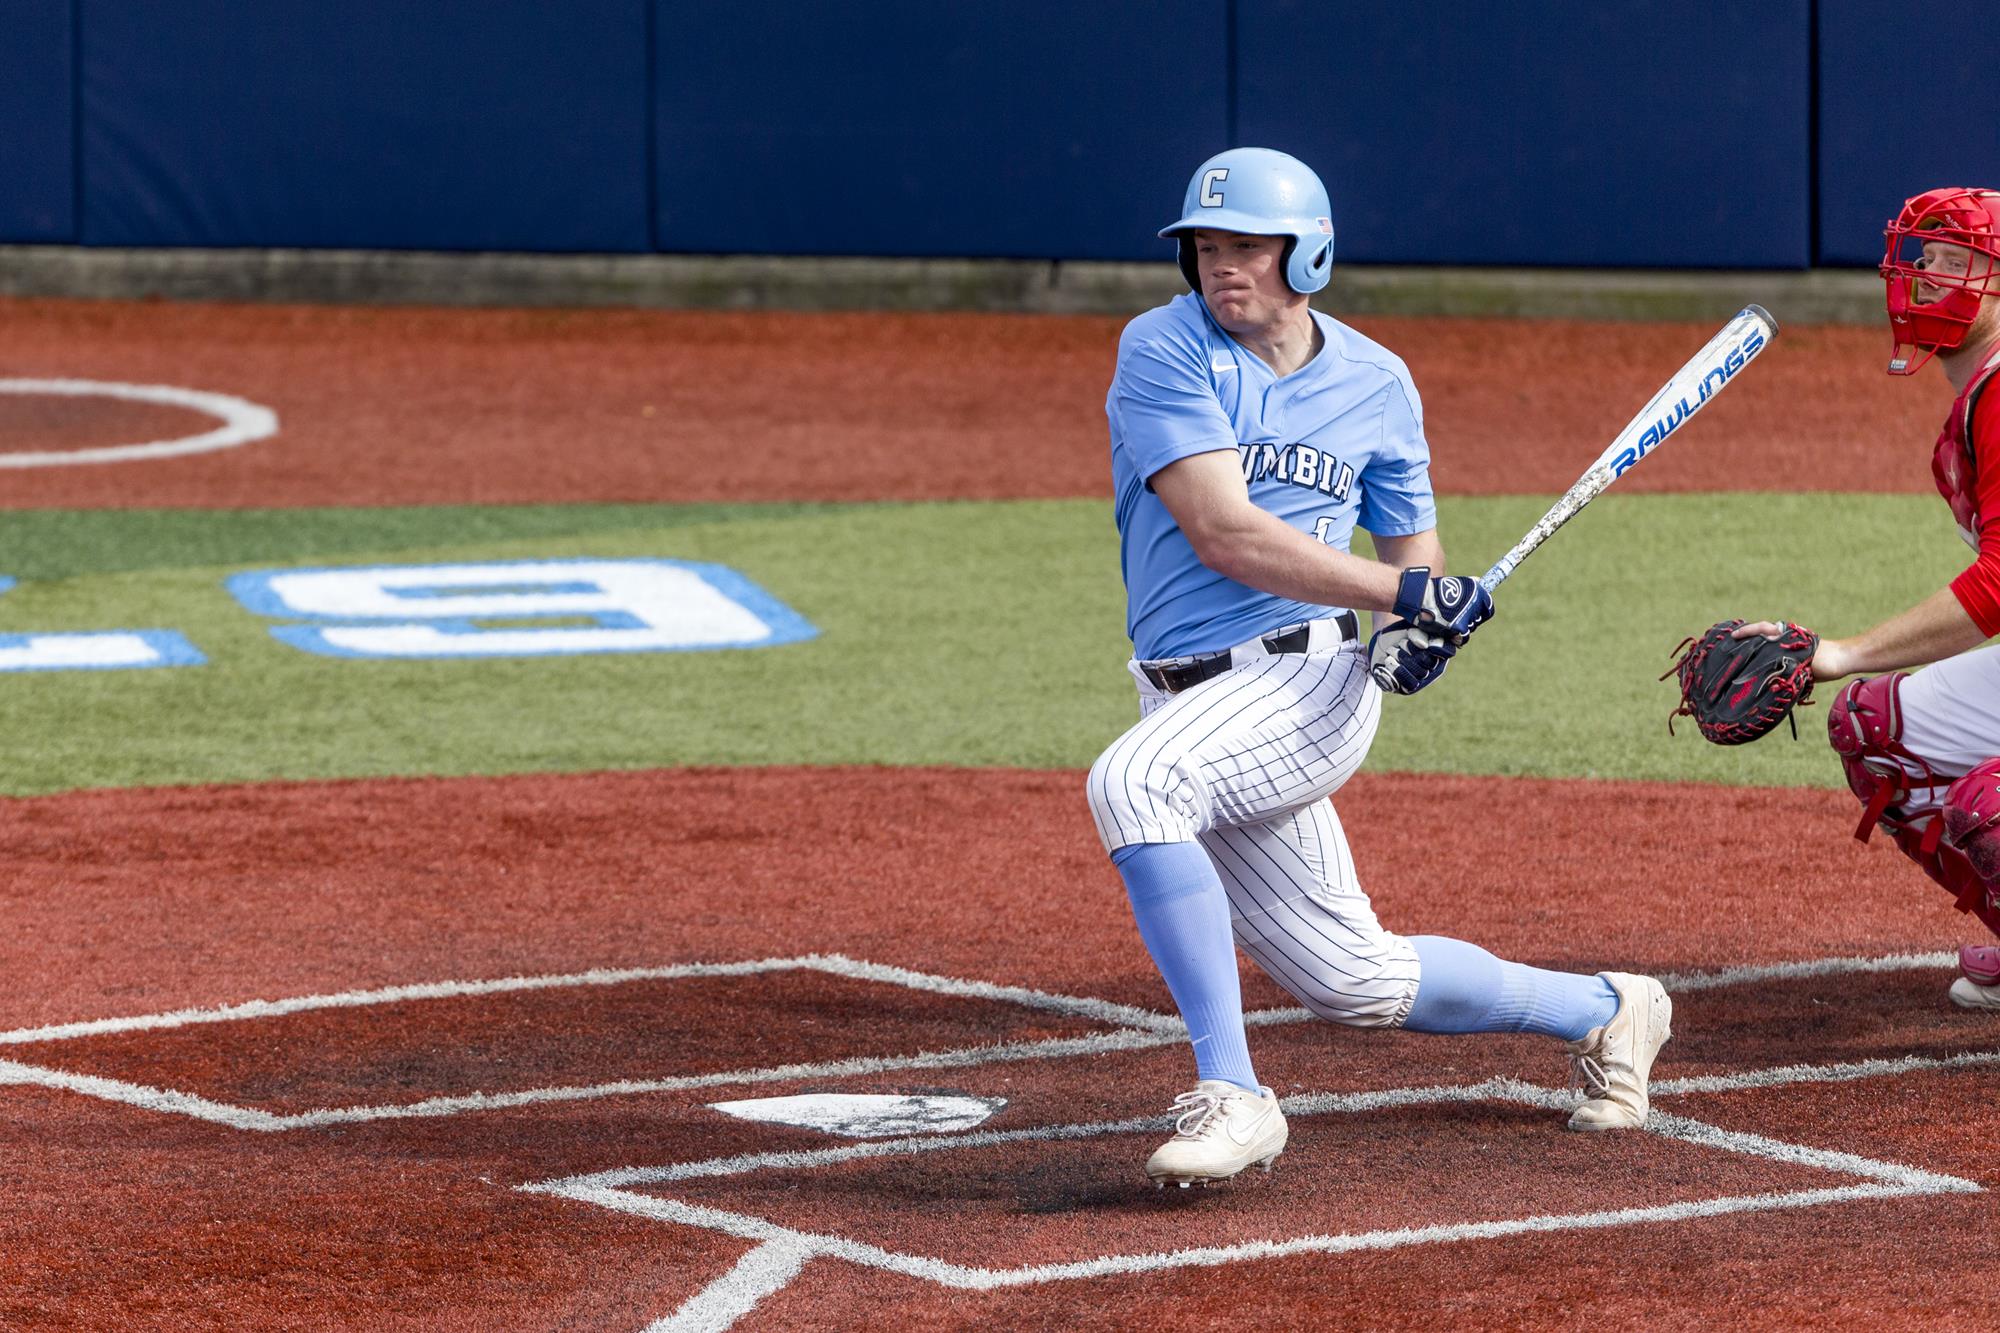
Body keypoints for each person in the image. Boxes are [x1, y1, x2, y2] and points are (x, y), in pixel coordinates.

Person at [1088, 147, 1672, 1188]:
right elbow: (1224, 532)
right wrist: (1404, 597)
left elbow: (1415, 553)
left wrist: (1425, 624)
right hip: (1182, 690)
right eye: (1207, 249)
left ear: (1305, 252)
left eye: (1248, 249)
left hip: (1306, 685)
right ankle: (1609, 1007)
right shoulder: (1162, 349)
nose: (1223, 268)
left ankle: (1233, 1093)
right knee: (1350, 977)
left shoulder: (1374, 380)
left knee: (1136, 781)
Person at [1737, 187, 2000, 1011]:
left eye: (1957, 263)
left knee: (1987, 805)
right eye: (1921, 261)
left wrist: (1839, 651)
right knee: (1873, 726)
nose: (1925, 278)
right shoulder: (1981, 394)